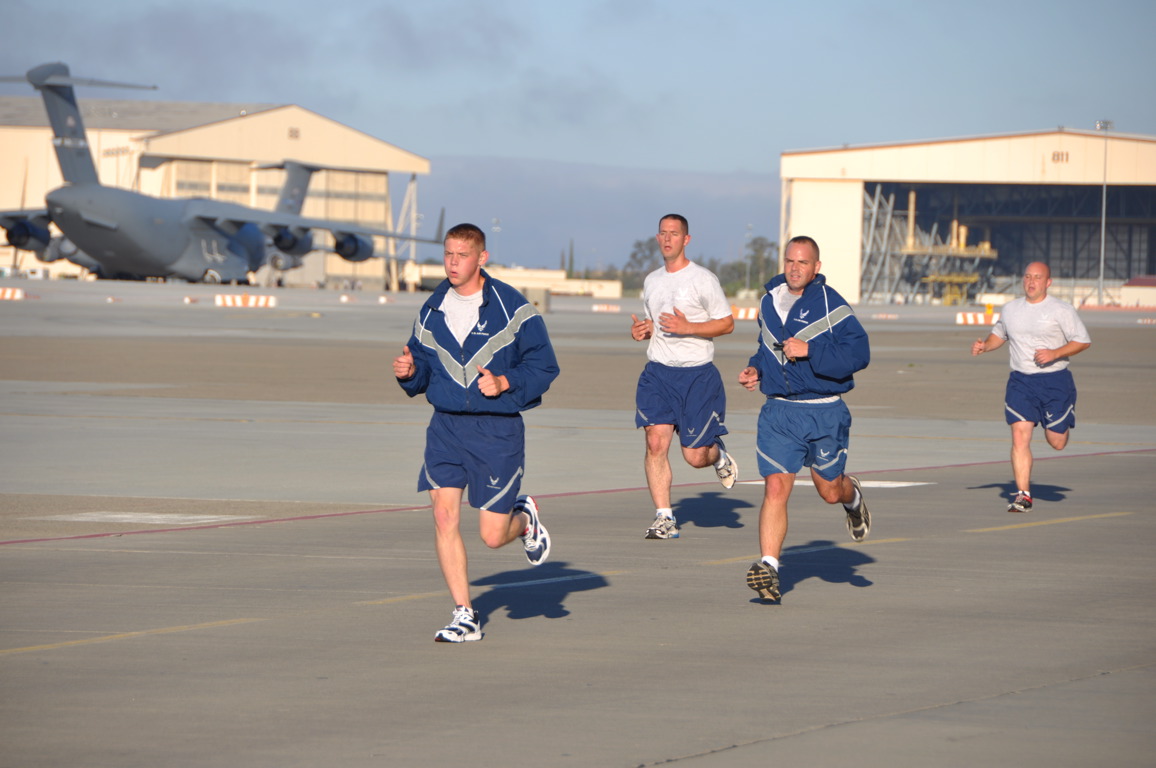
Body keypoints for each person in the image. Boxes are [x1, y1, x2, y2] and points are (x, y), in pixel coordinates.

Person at [393, 223, 560, 642]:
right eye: (448, 254)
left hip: (497, 430)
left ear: (481, 257)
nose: (452, 262)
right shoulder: (432, 309)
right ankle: (464, 614)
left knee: (490, 535)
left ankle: (524, 521)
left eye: (461, 255)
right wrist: (410, 373)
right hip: (446, 428)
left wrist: (505, 384)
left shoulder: (512, 308)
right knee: (444, 514)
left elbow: (544, 367)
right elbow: (423, 366)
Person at [737, 235, 871, 603]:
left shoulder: (832, 304)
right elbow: (767, 349)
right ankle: (769, 569)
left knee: (829, 491)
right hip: (779, 412)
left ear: (816, 268)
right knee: (776, 488)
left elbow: (860, 353)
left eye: (803, 262)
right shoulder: (768, 302)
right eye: (790, 261)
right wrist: (756, 370)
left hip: (824, 411)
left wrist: (812, 350)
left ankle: (852, 496)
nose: (795, 268)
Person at [630, 213, 739, 540]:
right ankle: (665, 517)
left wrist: (689, 327)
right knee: (654, 442)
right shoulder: (652, 281)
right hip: (658, 375)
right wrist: (644, 330)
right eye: (662, 233)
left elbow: (727, 323)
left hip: (697, 378)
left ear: (686, 239)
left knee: (694, 456)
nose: (667, 239)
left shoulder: (703, 279)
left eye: (674, 234)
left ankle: (717, 454)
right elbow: (655, 325)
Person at [971, 261, 1091, 513]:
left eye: (1037, 277)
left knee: (1056, 441)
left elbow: (1083, 341)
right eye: (1027, 276)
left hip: (1055, 382)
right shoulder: (1011, 309)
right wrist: (985, 346)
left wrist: (1055, 353)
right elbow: (999, 335)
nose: (1031, 281)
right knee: (1019, 436)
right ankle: (1023, 495)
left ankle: (1064, 415)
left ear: (1048, 282)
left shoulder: (1061, 309)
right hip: (1021, 381)